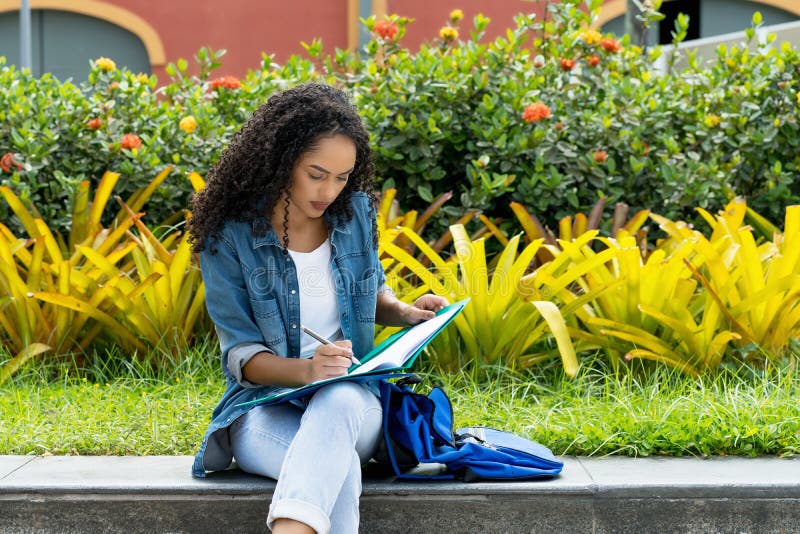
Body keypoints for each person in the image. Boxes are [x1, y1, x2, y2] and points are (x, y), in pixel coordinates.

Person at [188, 83, 448, 534]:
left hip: (352, 404)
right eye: (316, 173)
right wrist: (308, 371)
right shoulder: (228, 235)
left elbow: (372, 294)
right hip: (263, 408)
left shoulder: (355, 215)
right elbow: (241, 357)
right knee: (336, 466)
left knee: (340, 398)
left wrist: (404, 312)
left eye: (343, 177)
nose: (330, 189)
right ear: (283, 161)